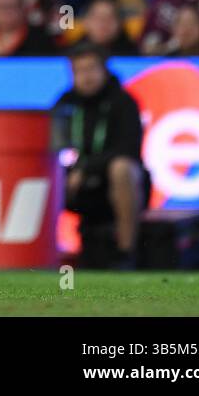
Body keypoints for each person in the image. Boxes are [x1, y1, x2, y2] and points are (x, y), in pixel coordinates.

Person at [52, 43, 149, 268]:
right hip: (74, 184)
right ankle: (43, 252)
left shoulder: (124, 102)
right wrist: (67, 171)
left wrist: (86, 169)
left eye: (91, 69)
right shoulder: (65, 104)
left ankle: (126, 253)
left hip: (112, 183)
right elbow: (54, 147)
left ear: (104, 70)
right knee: (45, 173)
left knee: (123, 168)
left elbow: (128, 148)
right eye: (79, 71)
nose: (86, 77)